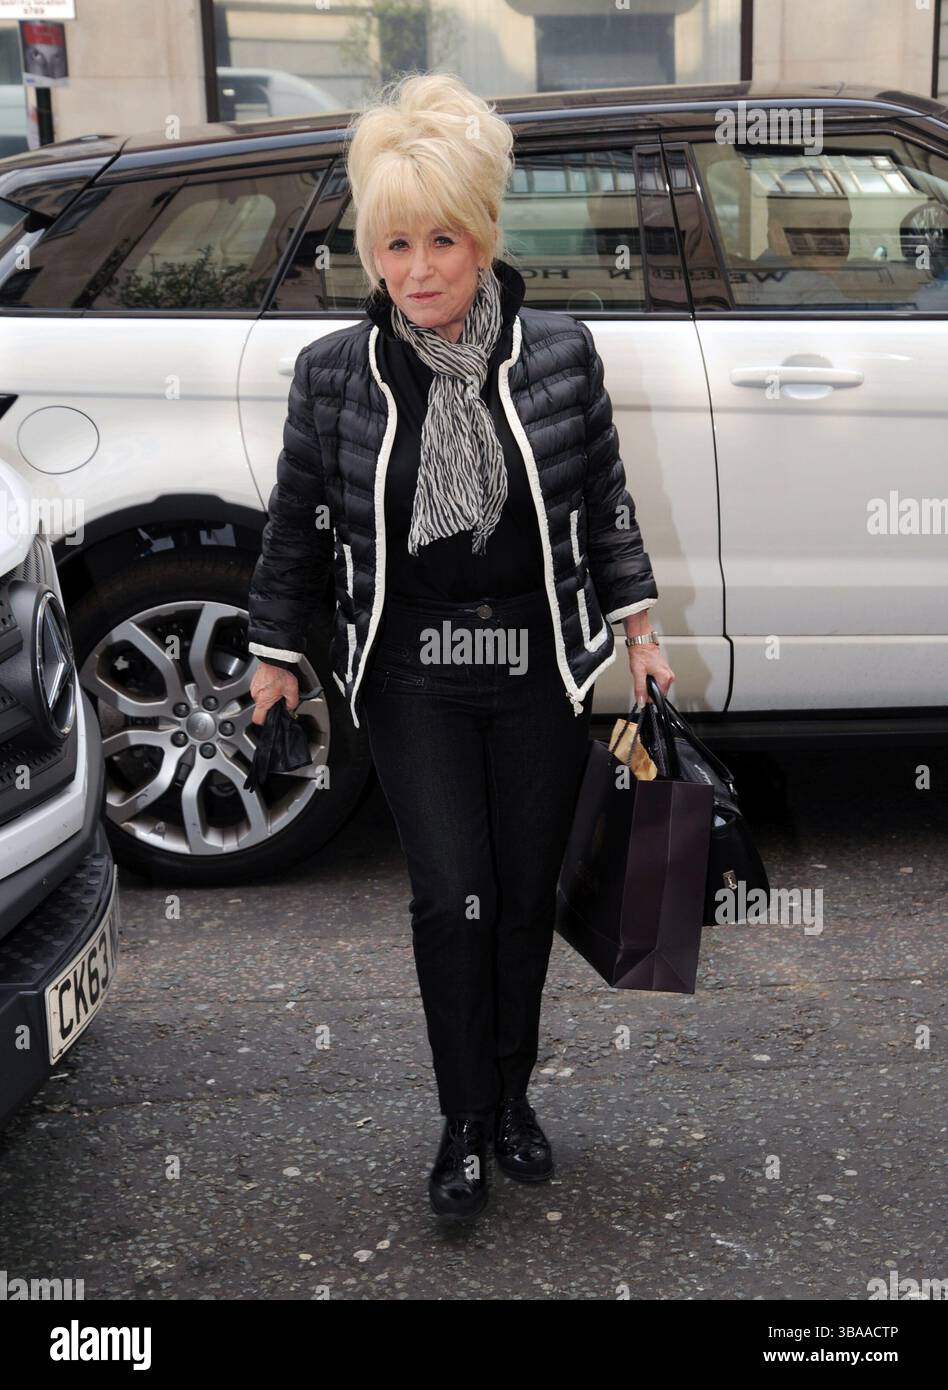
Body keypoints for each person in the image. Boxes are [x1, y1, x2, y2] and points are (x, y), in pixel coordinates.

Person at [247, 71, 674, 1221]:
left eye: (443, 238)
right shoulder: (335, 375)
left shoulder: (560, 355)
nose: (420, 267)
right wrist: (277, 648)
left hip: (537, 665)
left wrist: (638, 626)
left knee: (522, 892)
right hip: (412, 673)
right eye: (396, 243)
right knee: (453, 897)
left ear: (483, 236)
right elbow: (298, 522)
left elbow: (604, 501)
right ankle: (461, 1122)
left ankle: (513, 1098)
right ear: (371, 252)